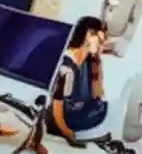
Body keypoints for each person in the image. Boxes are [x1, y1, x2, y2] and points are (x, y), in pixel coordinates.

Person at [46, 16, 109, 146]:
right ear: (88, 35)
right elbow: (57, 104)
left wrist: (97, 65)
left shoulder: (88, 62)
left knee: (102, 107)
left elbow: (97, 95)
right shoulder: (66, 65)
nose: (102, 47)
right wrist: (67, 133)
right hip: (60, 118)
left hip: (78, 111)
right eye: (101, 41)